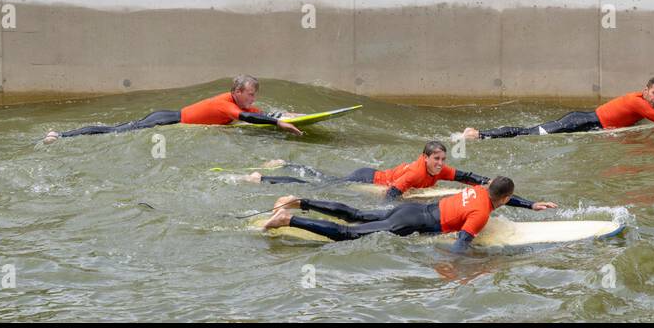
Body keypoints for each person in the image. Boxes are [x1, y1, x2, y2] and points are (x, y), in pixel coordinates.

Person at [251, 141, 557, 212]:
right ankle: (266, 177)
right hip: (368, 180)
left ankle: (285, 164)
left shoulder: (442, 170)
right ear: (425, 158)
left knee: (323, 178)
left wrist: (528, 204)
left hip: (374, 177)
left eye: (442, 159)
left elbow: (473, 179)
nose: (440, 164)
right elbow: (391, 195)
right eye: (435, 159)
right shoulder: (414, 171)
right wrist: (392, 213)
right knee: (320, 182)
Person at [262, 177, 518, 251]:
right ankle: (287, 219)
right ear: (504, 200)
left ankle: (297, 202)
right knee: (347, 234)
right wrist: (457, 265)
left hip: (410, 209)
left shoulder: (478, 190)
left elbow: (498, 193)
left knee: (356, 214)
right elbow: (461, 243)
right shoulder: (481, 214)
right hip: (413, 222)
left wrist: (531, 204)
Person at [44, 75, 302, 141]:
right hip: (164, 120)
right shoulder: (227, 105)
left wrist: (290, 116)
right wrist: (277, 123)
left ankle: (63, 134)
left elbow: (257, 114)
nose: (253, 99)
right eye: (250, 94)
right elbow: (246, 116)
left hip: (171, 116)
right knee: (114, 131)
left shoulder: (235, 102)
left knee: (116, 130)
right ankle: (62, 135)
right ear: (237, 92)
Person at [463, 78, 654, 139]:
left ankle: (481, 133)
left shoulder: (638, 99)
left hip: (586, 122)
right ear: (645, 90)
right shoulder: (639, 102)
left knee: (531, 131)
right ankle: (480, 134)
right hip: (580, 122)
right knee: (529, 133)